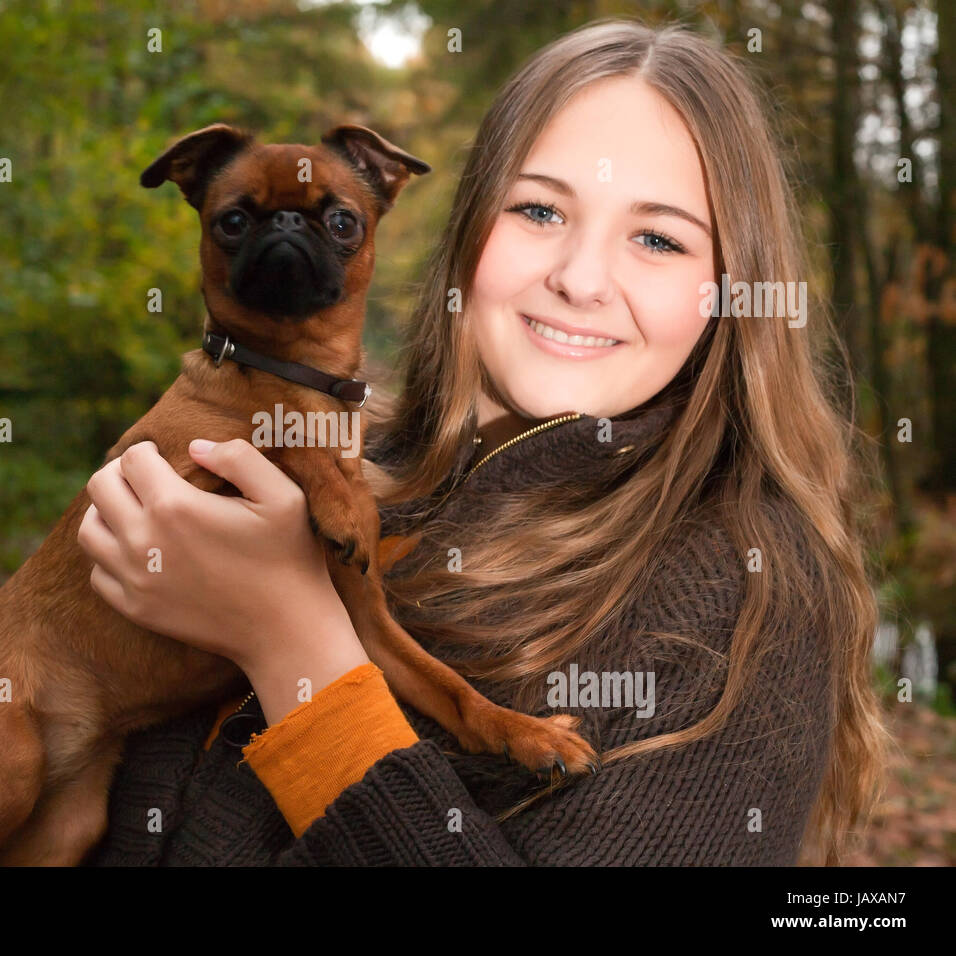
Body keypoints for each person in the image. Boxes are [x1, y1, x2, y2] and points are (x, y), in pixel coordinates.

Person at [77, 18, 890, 866]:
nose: (578, 278)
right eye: (539, 209)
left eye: (657, 238)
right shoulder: (343, 464)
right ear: (468, 231)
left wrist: (291, 646)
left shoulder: (748, 595)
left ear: (733, 288)